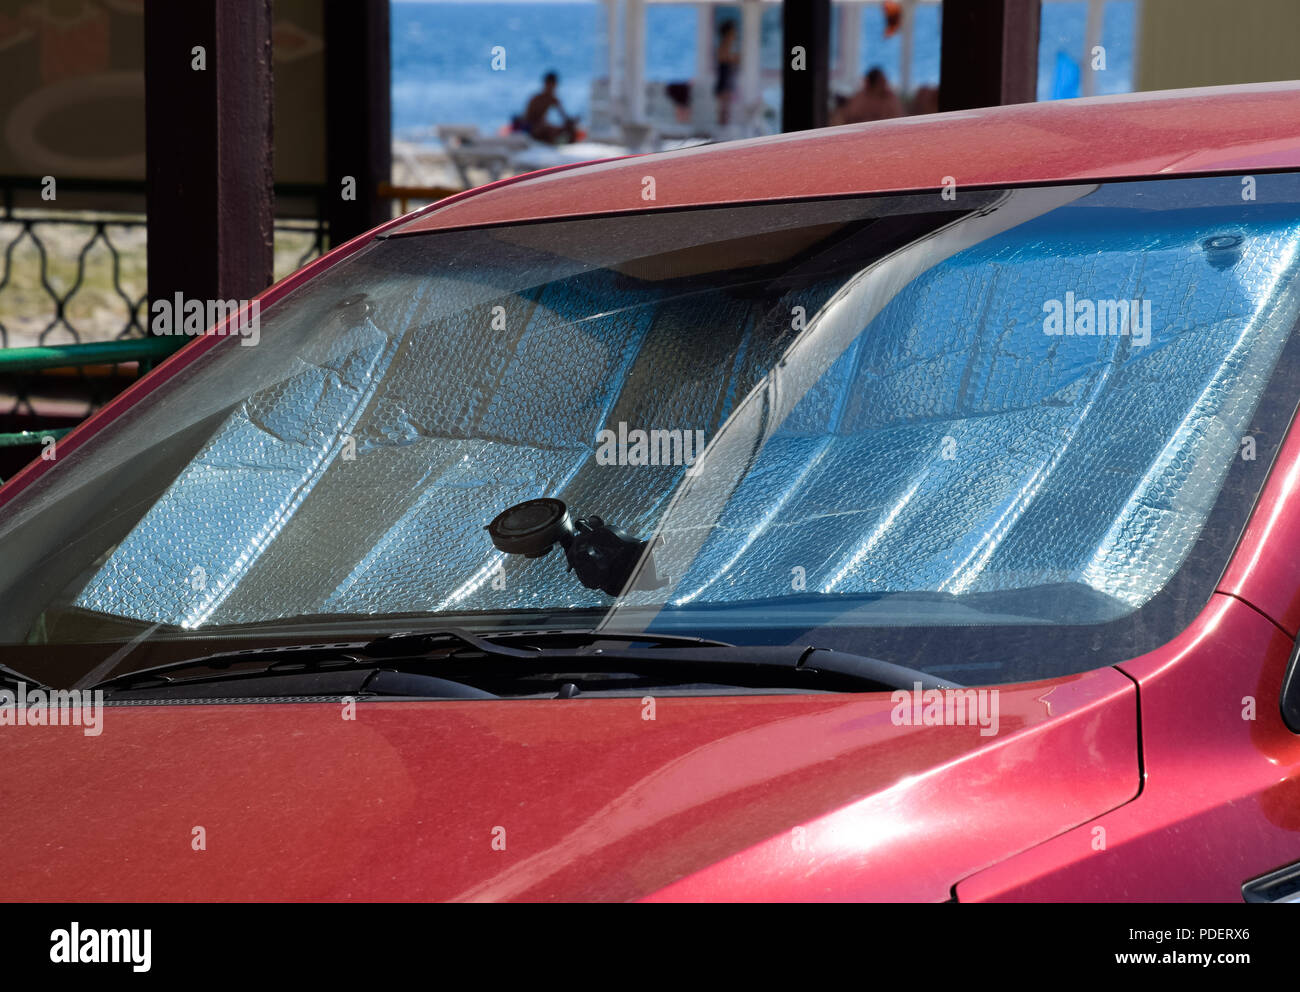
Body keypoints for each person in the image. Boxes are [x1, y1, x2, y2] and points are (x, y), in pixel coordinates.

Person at [830, 67, 904, 126]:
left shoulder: (890, 99)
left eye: (884, 82)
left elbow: (897, 120)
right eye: (882, 83)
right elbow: (849, 116)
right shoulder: (861, 97)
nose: (885, 86)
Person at [519, 71, 577, 143]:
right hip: (532, 128)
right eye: (550, 86)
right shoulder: (536, 99)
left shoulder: (553, 99)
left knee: (569, 129)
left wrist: (571, 122)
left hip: (543, 127)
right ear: (546, 84)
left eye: (554, 86)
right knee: (549, 129)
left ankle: (562, 143)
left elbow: (564, 118)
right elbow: (526, 119)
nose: (552, 89)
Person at [714, 20, 739, 126]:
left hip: (727, 77)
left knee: (726, 105)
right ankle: (722, 126)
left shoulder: (728, 45)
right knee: (724, 106)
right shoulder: (724, 44)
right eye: (733, 32)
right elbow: (722, 58)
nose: (735, 34)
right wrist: (734, 58)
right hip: (724, 78)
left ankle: (725, 125)